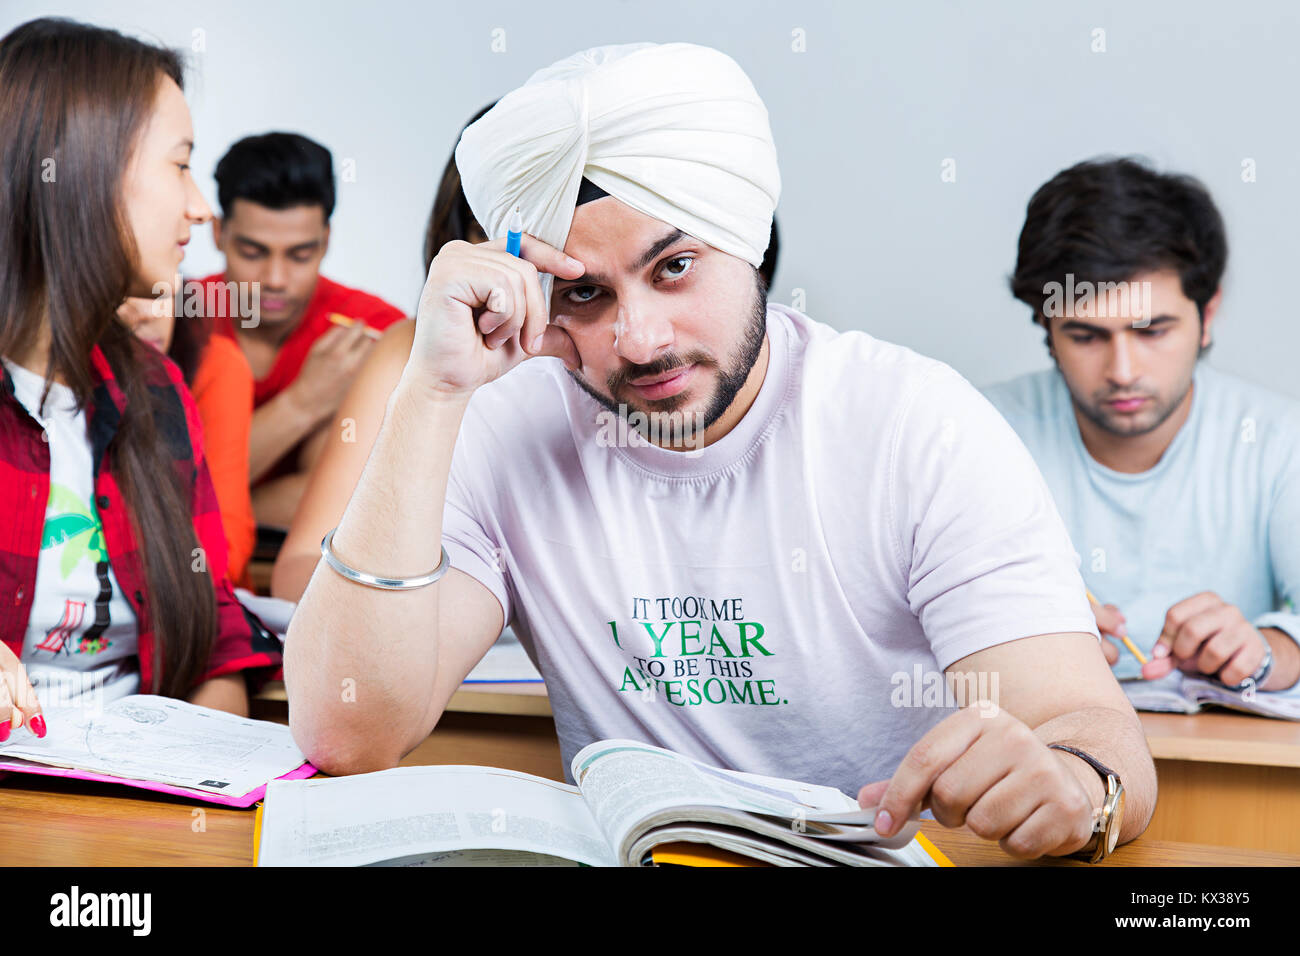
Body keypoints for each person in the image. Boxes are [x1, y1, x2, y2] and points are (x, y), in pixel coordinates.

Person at [286, 42, 1155, 860]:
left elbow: (1082, 717)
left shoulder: (916, 424)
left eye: (674, 267)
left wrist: (1081, 783)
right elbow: (346, 732)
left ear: (751, 240)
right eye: (584, 294)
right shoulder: (507, 426)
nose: (639, 339)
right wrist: (431, 395)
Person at [0, 17, 281, 736]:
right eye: (180, 164)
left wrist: (216, 776)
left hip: (139, 804)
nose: (199, 208)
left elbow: (214, 631)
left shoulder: (155, 387)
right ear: (83, 170)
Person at [983, 157, 1300, 694]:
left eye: (1152, 330)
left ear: (1209, 313)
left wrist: (1267, 653)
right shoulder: (977, 435)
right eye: (1086, 336)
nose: (1122, 372)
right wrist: (1024, 647)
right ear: (1045, 324)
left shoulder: (1277, 441)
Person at [195, 132, 406, 529]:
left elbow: (378, 496)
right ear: (218, 234)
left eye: (300, 255)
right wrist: (305, 402)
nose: (275, 279)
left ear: (326, 241)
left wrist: (211, 510)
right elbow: (156, 486)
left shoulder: (375, 331)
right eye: (253, 252)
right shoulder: (172, 322)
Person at [118, 292, 256, 587]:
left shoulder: (213, 362)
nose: (148, 313)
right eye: (122, 292)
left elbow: (224, 550)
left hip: (200, 604)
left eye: (160, 293)